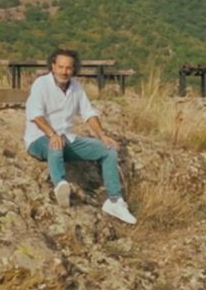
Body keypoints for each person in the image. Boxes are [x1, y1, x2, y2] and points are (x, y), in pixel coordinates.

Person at [23, 48, 136, 225]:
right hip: (39, 139)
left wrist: (102, 135)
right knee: (56, 143)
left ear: (74, 69)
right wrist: (52, 134)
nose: (64, 72)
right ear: (53, 66)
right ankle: (60, 186)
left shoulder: (76, 87)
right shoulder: (41, 84)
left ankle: (114, 201)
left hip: (67, 139)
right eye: (60, 67)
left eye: (68, 68)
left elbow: (88, 113)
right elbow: (36, 115)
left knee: (108, 150)